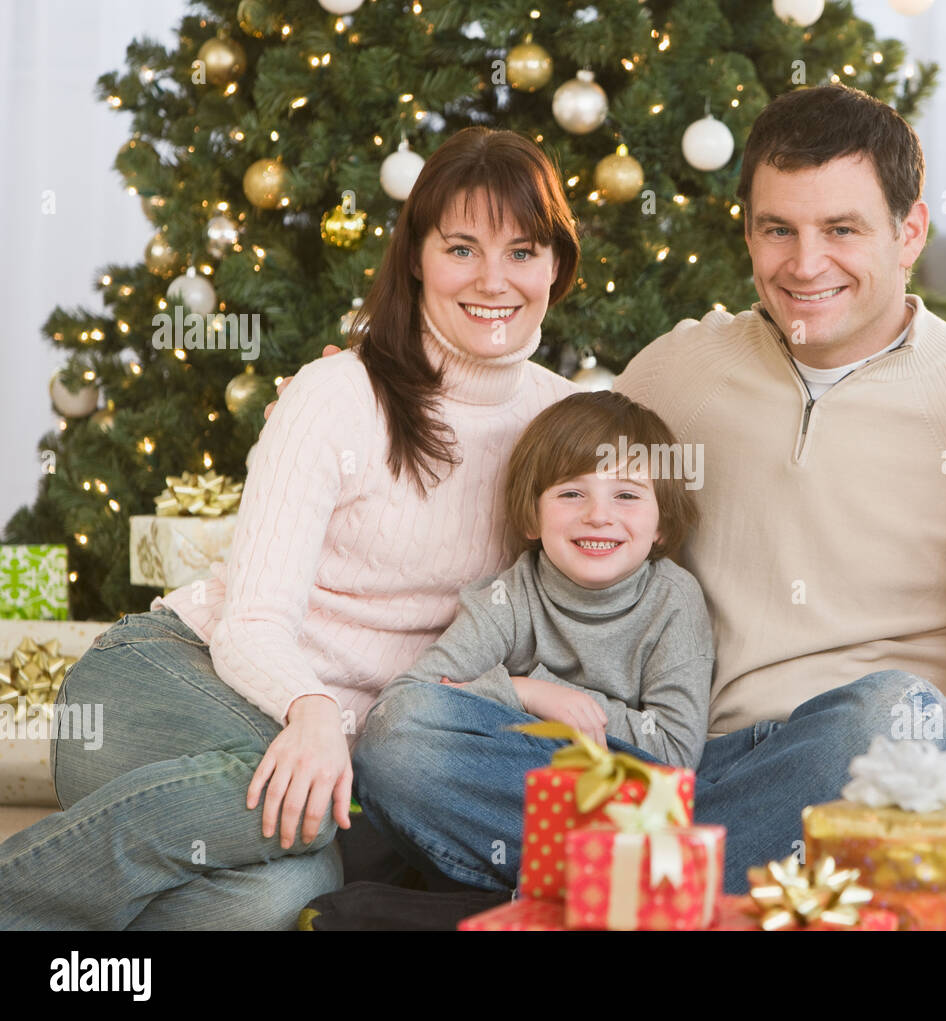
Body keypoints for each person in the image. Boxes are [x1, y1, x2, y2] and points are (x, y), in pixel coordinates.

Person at [346, 85, 946, 899]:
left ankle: (625, 880)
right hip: (686, 764)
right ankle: (684, 880)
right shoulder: (674, 372)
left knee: (889, 713)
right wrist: (373, 389)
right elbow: (546, 465)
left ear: (910, 231)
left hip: (885, 766)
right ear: (747, 230)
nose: (805, 264)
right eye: (777, 229)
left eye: (842, 229)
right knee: (404, 735)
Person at [0, 126, 580, 929]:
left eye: (523, 251)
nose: (494, 279)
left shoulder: (560, 421)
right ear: (416, 257)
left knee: (286, 896)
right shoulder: (336, 394)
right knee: (310, 820)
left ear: (557, 264)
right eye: (461, 248)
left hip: (338, 763)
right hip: (176, 680)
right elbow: (254, 621)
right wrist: (311, 708)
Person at [357, 391, 711, 873]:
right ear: (531, 513)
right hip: (521, 779)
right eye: (571, 493)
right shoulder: (509, 597)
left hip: (635, 791)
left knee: (809, 739)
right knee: (395, 741)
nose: (598, 515)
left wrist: (565, 705)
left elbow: (673, 753)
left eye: (626, 494)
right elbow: (410, 700)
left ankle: (579, 871)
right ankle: (607, 873)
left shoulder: (674, 597)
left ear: (662, 523)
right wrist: (526, 693)